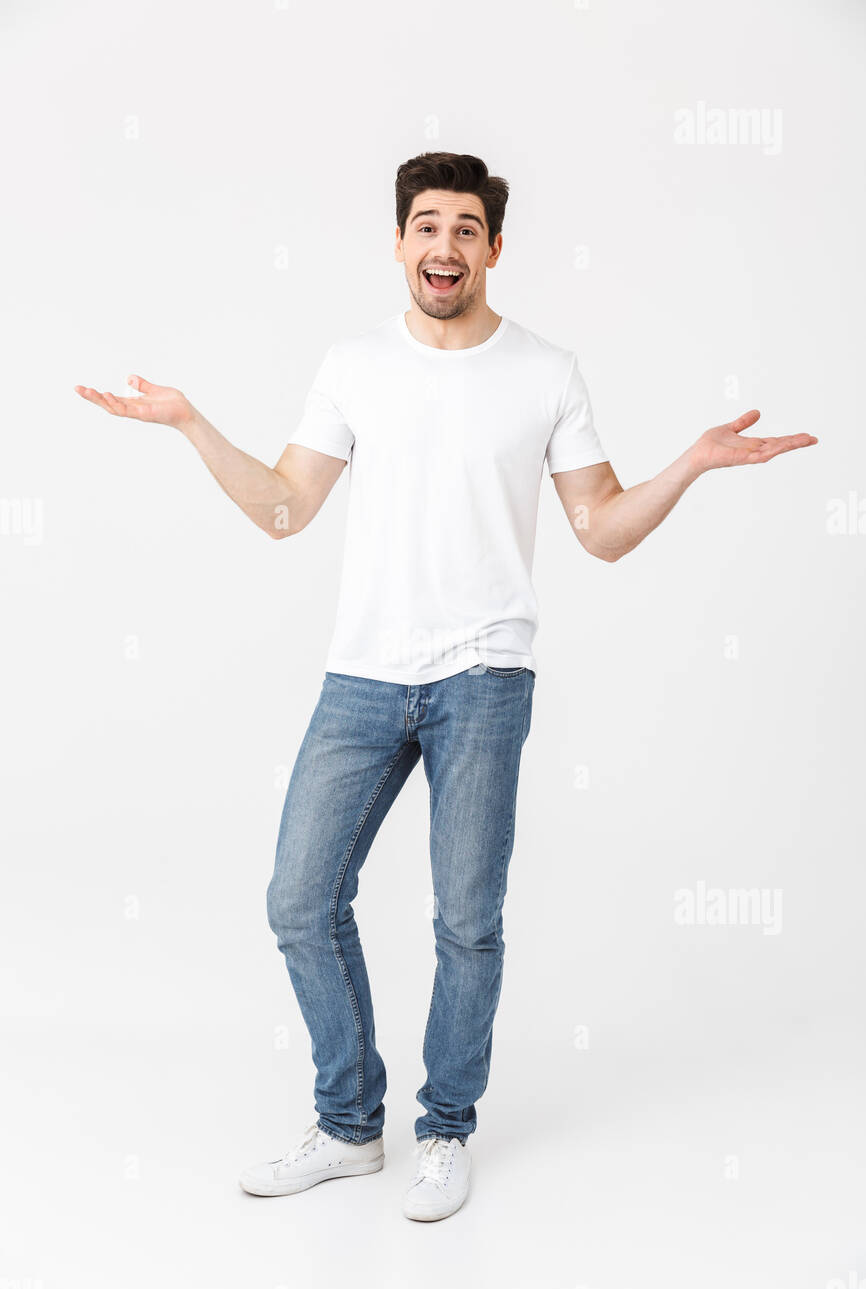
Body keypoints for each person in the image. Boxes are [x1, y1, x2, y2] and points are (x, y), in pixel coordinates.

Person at [75, 151, 817, 1222]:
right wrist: (193, 425)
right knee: (299, 900)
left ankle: (445, 1128)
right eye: (427, 224)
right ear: (398, 243)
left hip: (483, 678)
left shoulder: (546, 371)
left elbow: (599, 530)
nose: (445, 244)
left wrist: (688, 464)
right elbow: (285, 508)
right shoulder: (353, 365)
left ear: (493, 250)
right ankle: (346, 1123)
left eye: (467, 228)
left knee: (466, 922)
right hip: (364, 675)